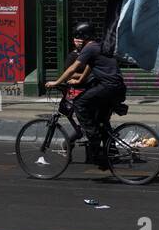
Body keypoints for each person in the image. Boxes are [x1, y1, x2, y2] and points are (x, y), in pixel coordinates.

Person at [49, 22, 126, 171]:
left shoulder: (89, 48)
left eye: (79, 37)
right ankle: (107, 154)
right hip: (117, 88)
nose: (77, 40)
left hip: (108, 87)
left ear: (84, 37)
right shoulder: (98, 46)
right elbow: (91, 66)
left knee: (80, 103)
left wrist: (56, 82)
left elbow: (73, 68)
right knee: (101, 120)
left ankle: (94, 141)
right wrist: (80, 80)